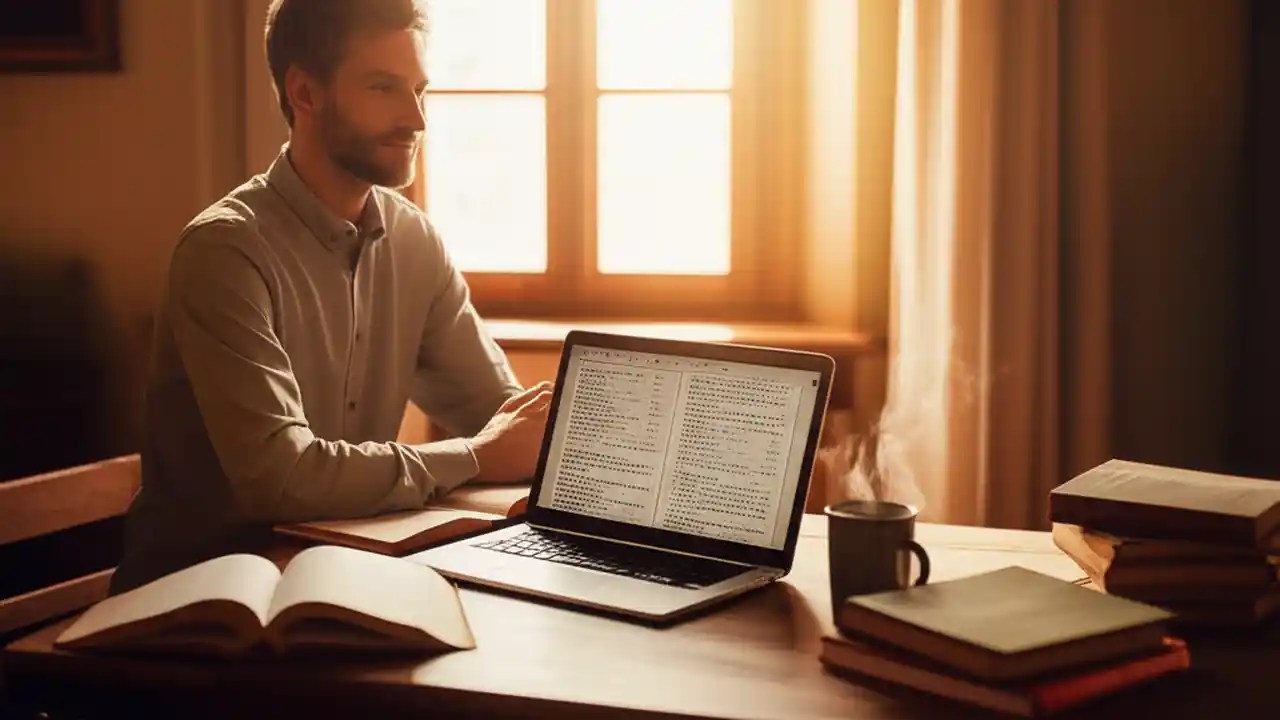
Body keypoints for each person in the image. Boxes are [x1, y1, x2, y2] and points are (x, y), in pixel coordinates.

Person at [111, 0, 550, 594]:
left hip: (339, 584)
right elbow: (282, 478)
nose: (416, 120)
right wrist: (472, 457)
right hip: (197, 609)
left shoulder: (414, 240)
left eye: (419, 90)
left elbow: (502, 420)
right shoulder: (224, 251)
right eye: (384, 88)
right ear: (305, 93)